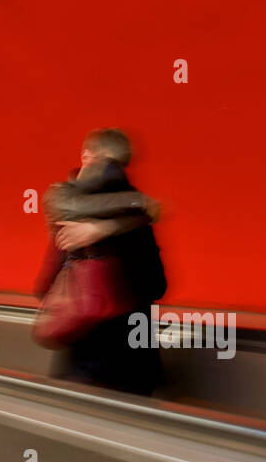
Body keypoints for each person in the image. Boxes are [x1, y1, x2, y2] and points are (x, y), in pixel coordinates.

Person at [35, 128, 167, 396]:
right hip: (136, 361)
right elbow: (157, 285)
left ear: (86, 155)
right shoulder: (137, 212)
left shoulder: (69, 214)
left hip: (84, 362)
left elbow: (42, 286)